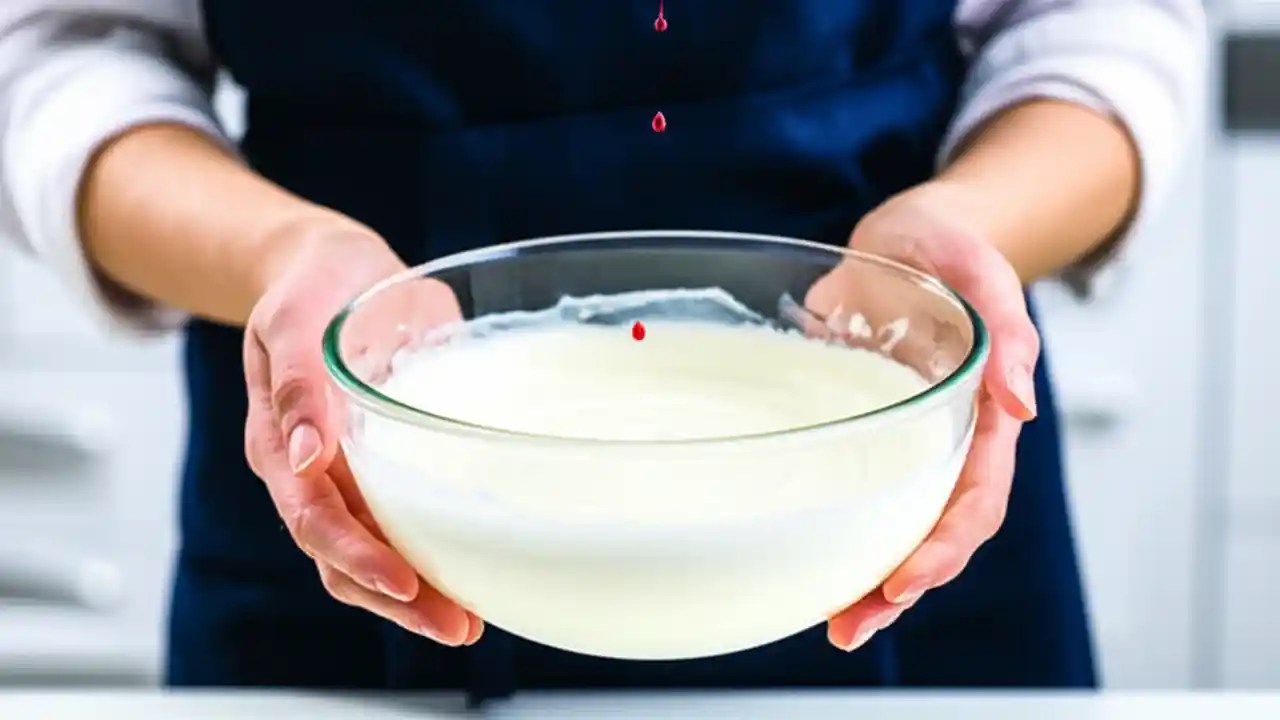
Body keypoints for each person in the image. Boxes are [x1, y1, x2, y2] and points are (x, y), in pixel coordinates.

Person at [0, 0, 1204, 703]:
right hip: (354, 455)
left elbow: (1101, 23)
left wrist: (968, 237)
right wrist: (281, 253)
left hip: (897, 456)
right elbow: (65, 54)